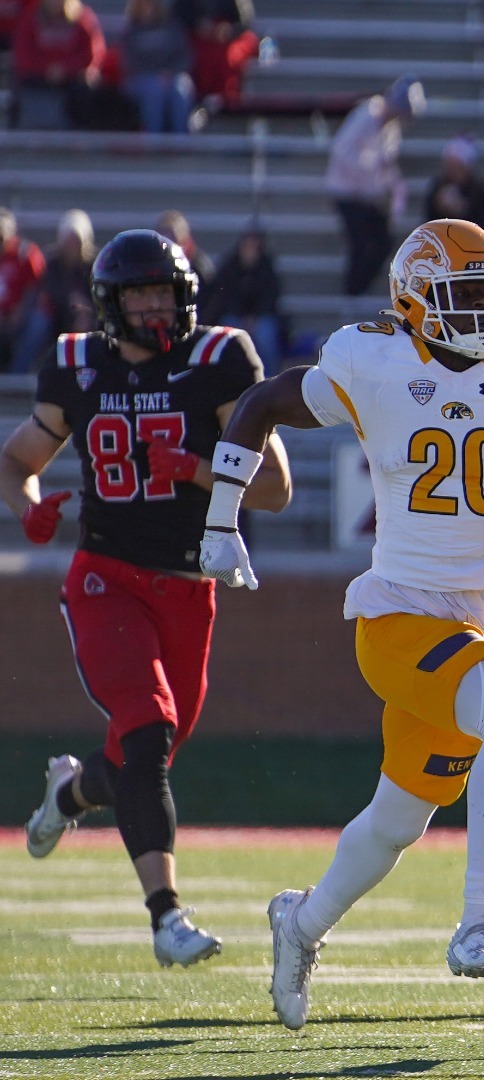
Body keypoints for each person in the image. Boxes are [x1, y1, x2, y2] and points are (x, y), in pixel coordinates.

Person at [196, 220, 484, 1030]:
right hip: (397, 616)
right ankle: (478, 923)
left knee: (396, 822)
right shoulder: (376, 360)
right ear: (414, 302)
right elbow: (259, 404)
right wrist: (219, 525)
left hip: (473, 629)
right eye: (468, 297)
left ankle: (301, 922)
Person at [6, 229, 289, 969]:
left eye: (167, 290)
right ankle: (167, 918)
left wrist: (196, 467)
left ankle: (69, 794)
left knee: (142, 756)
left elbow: (276, 488)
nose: (159, 305)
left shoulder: (218, 361)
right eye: (143, 294)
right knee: (148, 728)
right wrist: (27, 506)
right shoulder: (77, 366)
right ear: (112, 304)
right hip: (105, 577)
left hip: (189, 589)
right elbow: (17, 462)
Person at [327, 76, 423, 296]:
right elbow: (341, 151)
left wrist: (396, 194)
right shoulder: (366, 115)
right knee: (360, 245)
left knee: (384, 242)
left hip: (369, 196)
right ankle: (352, 293)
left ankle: (359, 291)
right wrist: (368, 169)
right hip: (346, 192)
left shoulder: (391, 129)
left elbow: (388, 165)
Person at [14, 209, 97, 372]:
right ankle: (18, 374)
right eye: (69, 239)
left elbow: (100, 297)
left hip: (88, 318)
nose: (72, 245)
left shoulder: (94, 265)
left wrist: (86, 310)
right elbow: (48, 292)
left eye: (76, 240)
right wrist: (71, 303)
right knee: (38, 322)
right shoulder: (51, 263)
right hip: (57, 317)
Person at [10, 0, 106, 130]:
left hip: (72, 78)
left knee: (88, 88)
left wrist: (66, 69)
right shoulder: (31, 18)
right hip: (38, 77)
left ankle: (81, 137)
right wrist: (46, 69)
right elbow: (23, 54)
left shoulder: (82, 18)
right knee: (20, 90)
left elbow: (91, 53)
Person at [203, 227, 283, 372]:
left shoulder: (266, 267)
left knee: (266, 333)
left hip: (260, 317)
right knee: (227, 329)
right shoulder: (230, 266)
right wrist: (242, 316)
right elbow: (225, 296)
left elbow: (271, 296)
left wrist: (255, 316)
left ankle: (271, 376)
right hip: (235, 316)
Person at [119, 0, 194, 133]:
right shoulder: (131, 30)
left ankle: (181, 141)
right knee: (154, 91)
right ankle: (154, 141)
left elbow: (184, 57)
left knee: (180, 89)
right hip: (141, 79)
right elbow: (129, 62)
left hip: (172, 76)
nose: (148, 8)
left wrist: (170, 72)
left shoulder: (173, 27)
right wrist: (154, 74)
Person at [171, 0, 258, 108]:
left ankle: (228, 104)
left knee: (235, 54)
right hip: (196, 40)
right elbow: (177, 18)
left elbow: (245, 23)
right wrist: (197, 25)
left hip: (226, 41)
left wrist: (229, 30)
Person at [0, 208, 47, 372]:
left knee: (39, 322)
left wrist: (20, 311)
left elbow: (38, 288)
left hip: (20, 315)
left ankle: (16, 376)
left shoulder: (26, 253)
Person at [424, 135, 484, 230]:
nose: (452, 170)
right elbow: (428, 220)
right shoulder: (438, 186)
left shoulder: (478, 190)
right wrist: (439, 206)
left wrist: (463, 210)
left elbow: (482, 220)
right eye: (449, 165)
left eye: (456, 166)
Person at [155, 210, 215, 280]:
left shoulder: (199, 265)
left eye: (171, 235)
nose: (167, 239)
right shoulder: (156, 261)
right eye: (163, 233)